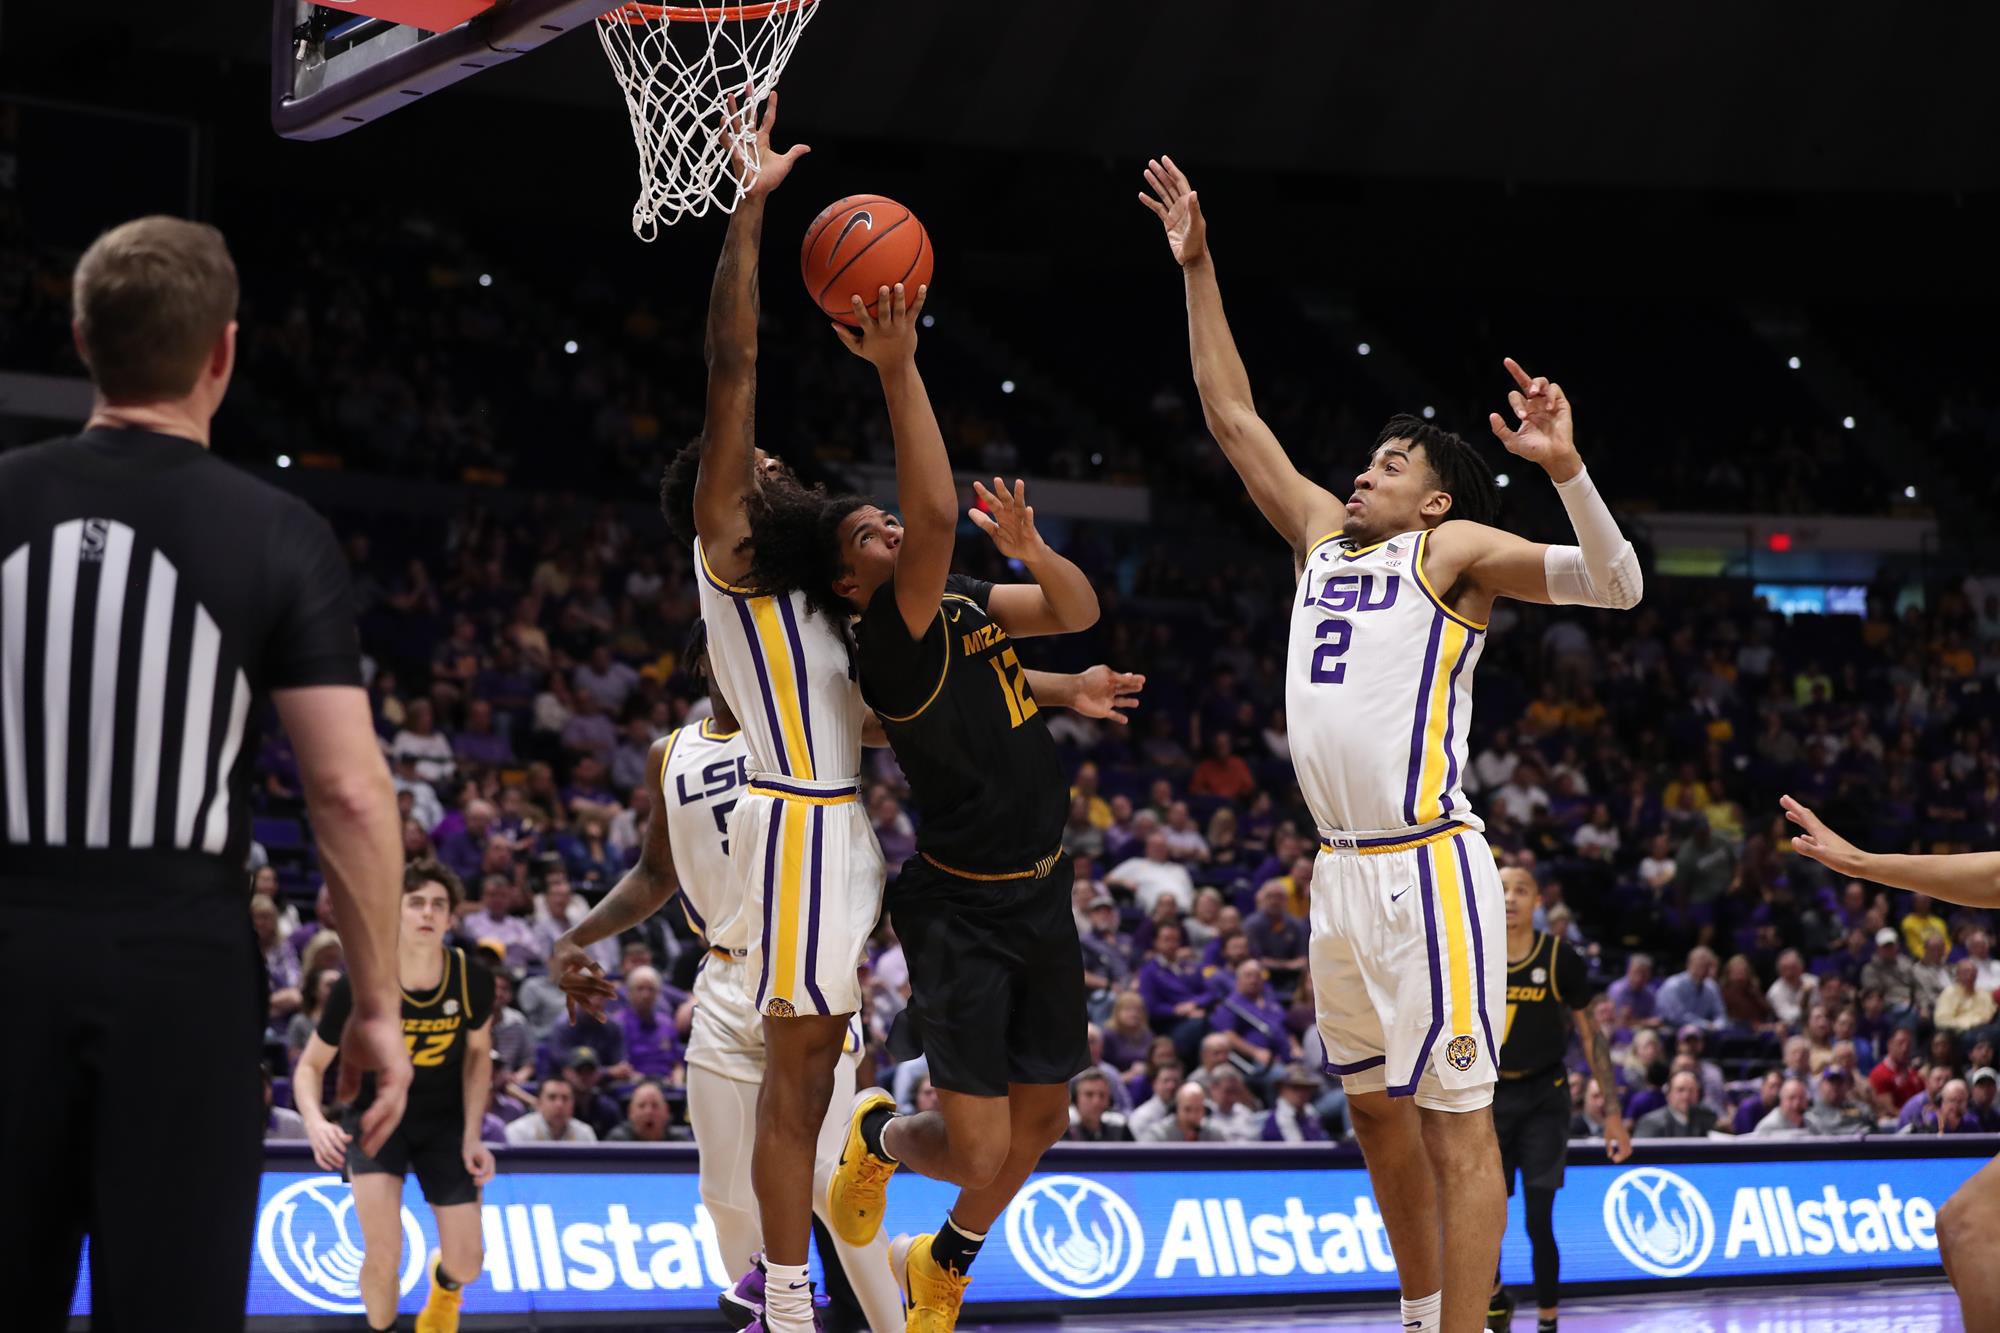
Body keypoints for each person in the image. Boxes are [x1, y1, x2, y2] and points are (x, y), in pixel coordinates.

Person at [1142, 157, 1642, 1333]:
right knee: (1373, 1112)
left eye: (1391, 462)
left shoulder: (1452, 552)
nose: (1364, 467)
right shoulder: (1322, 534)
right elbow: (1229, 417)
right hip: (1336, 873)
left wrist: (1563, 469)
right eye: (1367, 456)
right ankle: (1422, 1311)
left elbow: (1613, 588)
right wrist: (1199, 263)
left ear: (1431, 501)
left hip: (1427, 865)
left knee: (1455, 1123)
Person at [0, 215, 410, 1332]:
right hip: (178, 972)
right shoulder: (274, 531)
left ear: (83, 337)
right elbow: (348, 794)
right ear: (222, 352)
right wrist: (376, 1002)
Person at [795, 279, 1141, 1333]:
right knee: (980, 1146)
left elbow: (1076, 612)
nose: (891, 526)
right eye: (866, 532)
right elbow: (940, 508)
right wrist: (896, 363)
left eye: (880, 518)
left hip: (1039, 890)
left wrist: (1038, 572)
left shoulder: (949, 603)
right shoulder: (886, 641)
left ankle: (941, 1259)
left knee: (1042, 1121)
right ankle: (878, 1138)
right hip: (962, 907)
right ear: (847, 586)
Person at [549, 622, 902, 1333]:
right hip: (723, 977)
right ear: (707, 657)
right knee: (723, 1193)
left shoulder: (808, 724)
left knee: (830, 1186)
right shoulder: (668, 753)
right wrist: (575, 935)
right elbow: (656, 873)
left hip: (809, 972)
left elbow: (889, 726)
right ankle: (773, 1320)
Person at [294, 860, 493, 1333]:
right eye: (416, 902)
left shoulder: (473, 979)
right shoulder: (359, 986)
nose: (427, 912)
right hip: (374, 1122)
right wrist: (316, 1123)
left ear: (451, 918)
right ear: (395, 912)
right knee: (383, 1255)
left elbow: (479, 1058)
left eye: (438, 905)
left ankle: (444, 1288)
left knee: (469, 1264)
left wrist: (472, 1136)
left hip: (443, 1123)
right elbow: (308, 1067)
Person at [1487, 867, 1631, 1333]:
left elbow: (1592, 1037)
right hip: (1486, 1098)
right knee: (1483, 1218)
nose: (1510, 898)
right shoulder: (1472, 951)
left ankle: (1548, 1321)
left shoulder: (1558, 957)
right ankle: (1492, 1299)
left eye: (1521, 890)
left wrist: (1612, 1114)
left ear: (1537, 904)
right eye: (1502, 888)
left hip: (1544, 1098)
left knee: (1538, 1218)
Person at [504, 1078, 598, 1144]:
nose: (559, 1105)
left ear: (573, 1104)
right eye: (552, 1097)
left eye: (565, 1098)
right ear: (539, 1103)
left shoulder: (585, 1134)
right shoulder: (518, 1132)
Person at [1632, 1071, 1718, 1138]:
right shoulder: (1651, 1123)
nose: (1686, 1096)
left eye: (1691, 1090)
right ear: (1668, 1094)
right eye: (1680, 1090)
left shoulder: (1708, 1118)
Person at [1142, 1081, 1227, 1143]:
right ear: (1176, 1108)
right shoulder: (1158, 1135)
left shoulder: (1214, 1135)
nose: (1193, 1116)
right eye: (1187, 1109)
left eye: (1198, 1109)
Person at [1066, 1070, 1134, 1142]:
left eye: (1102, 1095)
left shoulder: (1119, 1129)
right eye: (1089, 1094)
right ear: (1075, 1099)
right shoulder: (1062, 1130)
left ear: (1110, 1100)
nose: (1096, 1102)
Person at [607, 1079, 673, 1142]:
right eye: (641, 1106)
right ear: (630, 1112)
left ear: (667, 1111)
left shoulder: (680, 1144)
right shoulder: (616, 1142)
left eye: (655, 1105)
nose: (648, 1112)